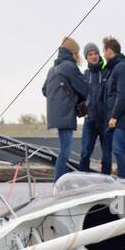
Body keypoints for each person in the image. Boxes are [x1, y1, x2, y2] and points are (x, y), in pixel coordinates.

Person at [41, 36, 89, 180]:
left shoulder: (52, 69)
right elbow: (84, 88)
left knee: (63, 149)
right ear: (73, 53)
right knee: (65, 152)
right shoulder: (69, 66)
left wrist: (58, 96)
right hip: (65, 113)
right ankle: (58, 183)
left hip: (54, 114)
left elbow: (44, 90)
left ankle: (60, 181)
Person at [101, 36, 125, 179]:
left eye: (104, 51)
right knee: (123, 148)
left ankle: (124, 180)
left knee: (118, 149)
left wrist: (114, 116)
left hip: (121, 118)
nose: (103, 55)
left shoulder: (121, 68)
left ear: (109, 51)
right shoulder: (117, 68)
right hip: (120, 117)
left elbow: (122, 95)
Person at [77, 42, 111, 175]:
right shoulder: (84, 74)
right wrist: (81, 110)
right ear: (86, 58)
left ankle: (107, 183)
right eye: (90, 54)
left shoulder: (107, 72)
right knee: (85, 153)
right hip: (89, 120)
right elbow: (78, 95)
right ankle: (82, 180)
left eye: (95, 53)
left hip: (105, 121)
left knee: (107, 155)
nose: (93, 56)